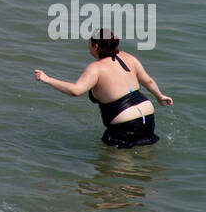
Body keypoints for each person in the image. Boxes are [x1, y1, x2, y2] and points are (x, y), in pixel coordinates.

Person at [35, 28, 172, 148]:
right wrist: (159, 96)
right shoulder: (128, 57)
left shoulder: (96, 68)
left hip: (124, 120)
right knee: (143, 156)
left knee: (116, 169)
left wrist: (47, 79)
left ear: (95, 46)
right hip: (147, 115)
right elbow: (147, 80)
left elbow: (75, 90)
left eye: (89, 43)